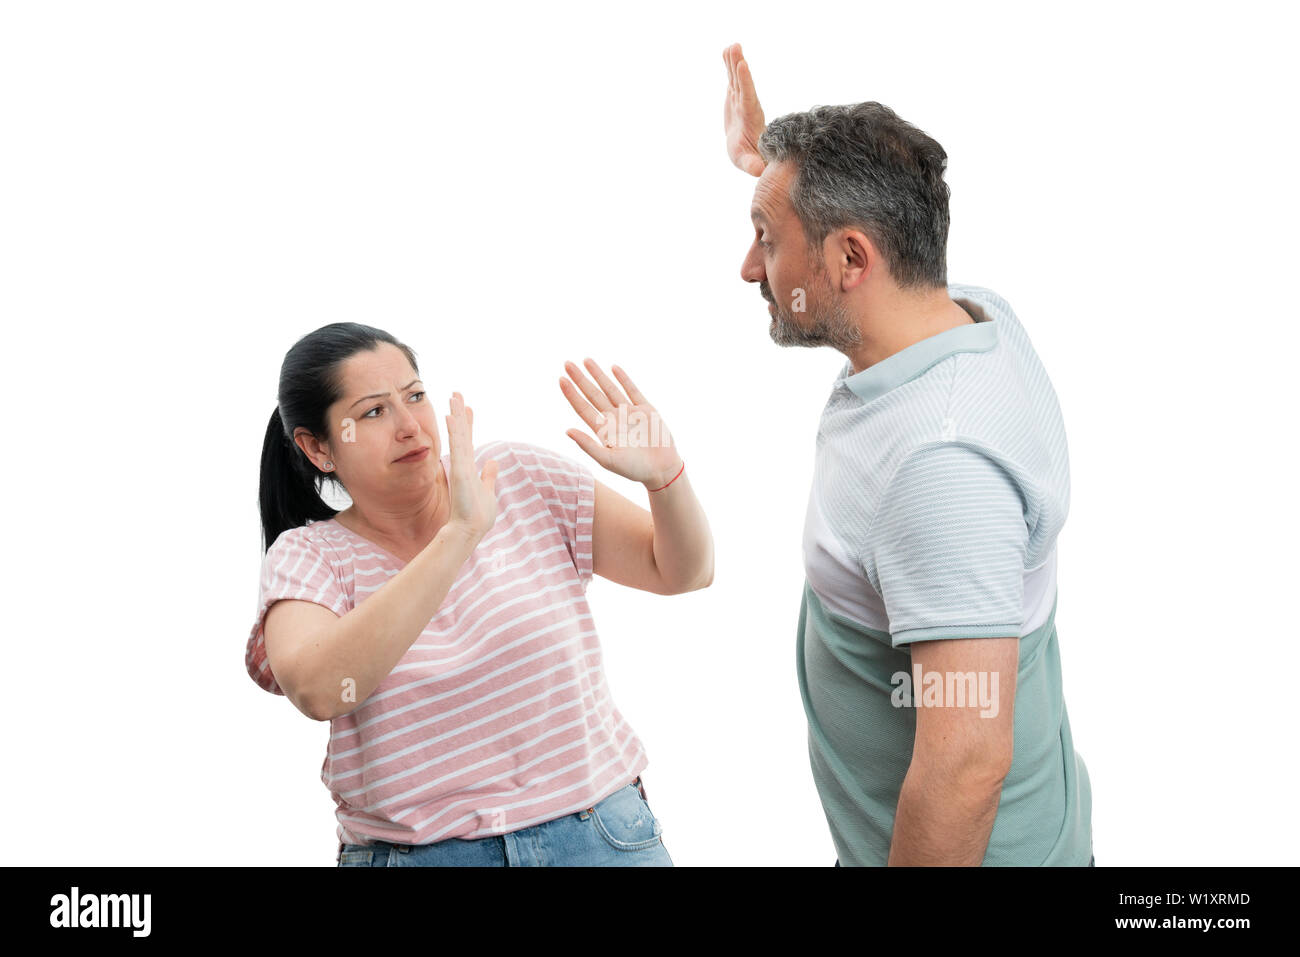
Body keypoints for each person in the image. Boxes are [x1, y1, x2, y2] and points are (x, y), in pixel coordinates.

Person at [722, 44, 1093, 866]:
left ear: (852, 258)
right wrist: (770, 165)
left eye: (764, 238)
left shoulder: (942, 469)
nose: (749, 266)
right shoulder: (969, 314)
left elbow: (966, 765)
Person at [246, 321, 712, 866]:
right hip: (422, 856)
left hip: (599, 838)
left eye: (415, 396)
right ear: (318, 448)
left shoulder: (514, 476)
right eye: (373, 412)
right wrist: (460, 535)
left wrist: (666, 479)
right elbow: (322, 690)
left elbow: (682, 571)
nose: (409, 426)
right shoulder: (309, 557)